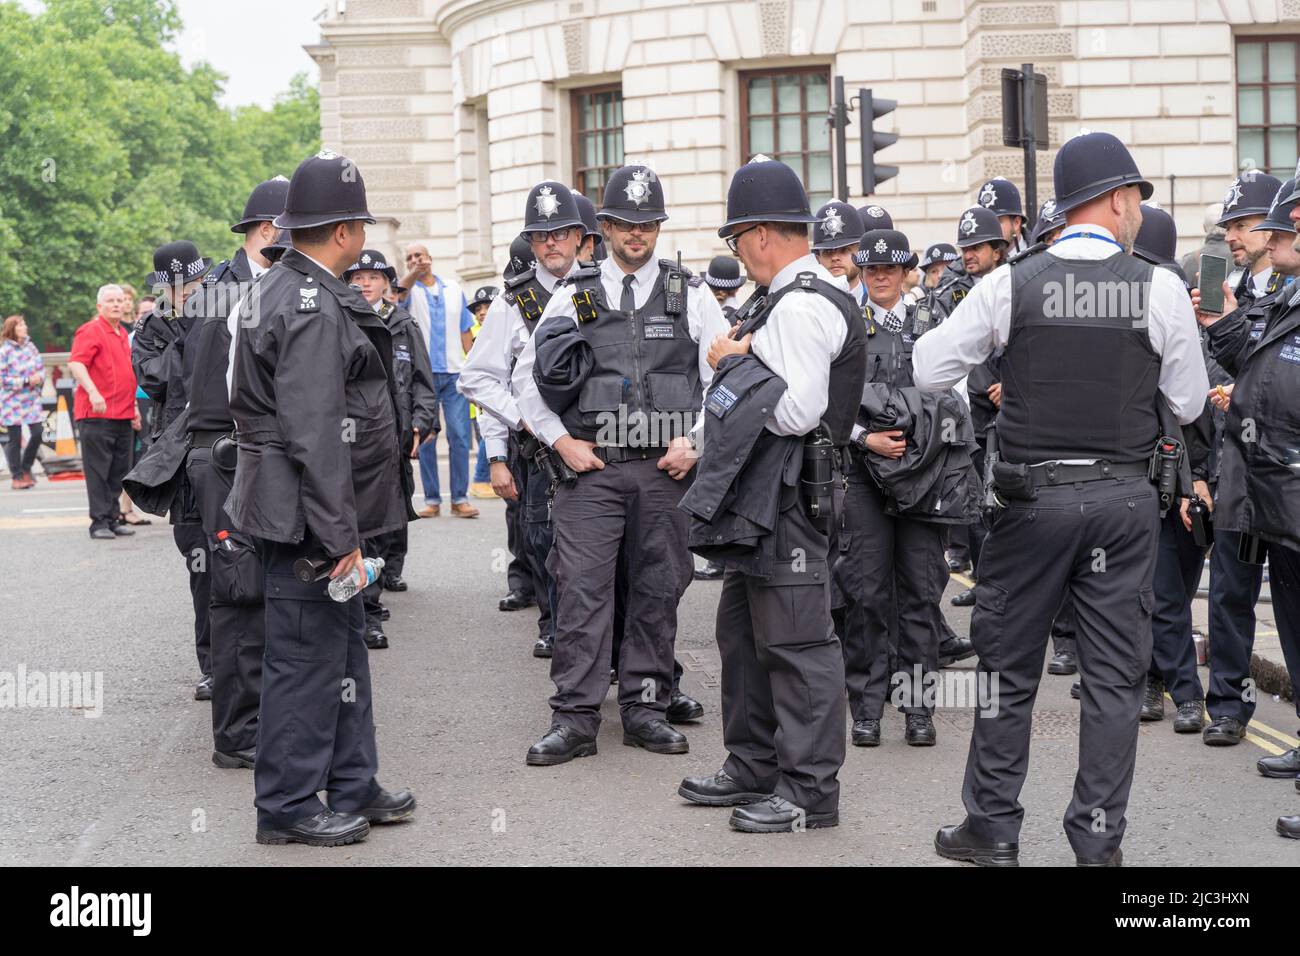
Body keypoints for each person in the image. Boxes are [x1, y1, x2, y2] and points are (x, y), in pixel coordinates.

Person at [917, 131, 1208, 867]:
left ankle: (991, 827)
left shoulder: (1012, 281)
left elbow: (927, 367)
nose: (1140, 210)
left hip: (1031, 506)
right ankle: (1098, 842)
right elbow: (1190, 399)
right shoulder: (1159, 285)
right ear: (1114, 198)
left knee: (1006, 672)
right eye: (1136, 197)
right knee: (1112, 679)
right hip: (1123, 505)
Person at [227, 148, 414, 847]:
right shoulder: (308, 303)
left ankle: (352, 779)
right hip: (306, 515)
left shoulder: (292, 288)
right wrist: (342, 539)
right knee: (306, 662)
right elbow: (316, 434)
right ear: (344, 232)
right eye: (360, 224)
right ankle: (287, 804)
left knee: (341, 657)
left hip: (306, 507)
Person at [512, 164, 726, 766]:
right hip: (592, 472)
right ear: (603, 226)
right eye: (625, 223)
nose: (637, 233)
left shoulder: (690, 292)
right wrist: (559, 443)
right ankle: (575, 719)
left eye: (647, 223)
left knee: (658, 592)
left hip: (665, 473)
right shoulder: (573, 294)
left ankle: (646, 710)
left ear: (658, 227)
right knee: (581, 592)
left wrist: (698, 441)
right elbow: (527, 382)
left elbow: (725, 379)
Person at [676, 156, 866, 832]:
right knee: (742, 635)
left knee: (796, 645)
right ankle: (753, 765)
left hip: (790, 498)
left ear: (759, 235)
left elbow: (796, 411)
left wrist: (734, 361)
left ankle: (809, 792)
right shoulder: (782, 299)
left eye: (736, 240)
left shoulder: (806, 303)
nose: (737, 253)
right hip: (765, 500)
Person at [1198, 167, 1300, 839]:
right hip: (1251, 476)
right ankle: (1226, 704)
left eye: (1245, 225)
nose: (1236, 236)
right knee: (1241, 598)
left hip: (1282, 478)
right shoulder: (1253, 290)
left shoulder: (1283, 290)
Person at [834, 229, 955, 748]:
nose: (882, 277)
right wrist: (866, 439)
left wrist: (925, 442)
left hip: (923, 476)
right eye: (872, 268)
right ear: (861, 270)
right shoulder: (846, 323)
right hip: (865, 473)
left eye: (891, 268)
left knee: (922, 594)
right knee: (865, 592)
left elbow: (958, 397)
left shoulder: (933, 319)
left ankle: (918, 707)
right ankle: (867, 706)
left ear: (907, 270)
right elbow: (827, 400)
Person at [179, 176, 285, 765]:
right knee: (240, 592)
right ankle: (240, 733)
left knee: (255, 591)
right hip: (227, 454)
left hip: (237, 452)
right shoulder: (226, 292)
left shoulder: (246, 285)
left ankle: (256, 718)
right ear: (269, 232)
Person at [460, 182, 585, 659]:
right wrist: (524, 422)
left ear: (578, 236)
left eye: (559, 233)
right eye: (541, 235)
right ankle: (558, 633)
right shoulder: (515, 301)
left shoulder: (604, 285)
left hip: (600, 446)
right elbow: (475, 379)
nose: (551, 242)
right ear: (532, 244)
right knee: (545, 544)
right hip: (543, 455)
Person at [1129, 202, 1217, 733]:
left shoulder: (1202, 338)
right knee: (1160, 594)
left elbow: (1204, 420)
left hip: (1192, 481)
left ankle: (1157, 677)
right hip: (1145, 480)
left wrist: (1197, 482)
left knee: (1178, 592)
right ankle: (1182, 692)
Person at [343, 249, 439, 649]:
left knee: (383, 522)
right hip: (347, 439)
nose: (364, 284)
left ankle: (374, 591)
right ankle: (363, 610)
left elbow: (421, 378)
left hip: (392, 437)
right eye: (357, 277)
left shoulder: (403, 323)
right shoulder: (339, 318)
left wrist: (422, 420)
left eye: (372, 277)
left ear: (387, 283)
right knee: (355, 526)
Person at [133, 241, 214, 699]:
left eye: (194, 284)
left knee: (239, 564)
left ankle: (250, 662)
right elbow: (158, 380)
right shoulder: (151, 327)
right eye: (176, 287)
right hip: (181, 459)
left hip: (225, 451)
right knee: (199, 565)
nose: (186, 292)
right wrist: (190, 330)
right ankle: (213, 666)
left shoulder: (229, 313)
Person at [400, 242, 478, 518]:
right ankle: (432, 499)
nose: (414, 260)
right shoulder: (408, 292)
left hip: (455, 373)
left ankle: (459, 498)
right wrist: (411, 272)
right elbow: (395, 297)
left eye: (418, 255)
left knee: (459, 436)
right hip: (423, 376)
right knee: (427, 438)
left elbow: (465, 330)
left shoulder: (455, 289)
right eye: (409, 258)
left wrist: (473, 365)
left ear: (430, 258)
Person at [69, 285, 140, 540]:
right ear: (99, 306)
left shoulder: (122, 333)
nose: (117, 304)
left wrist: (133, 408)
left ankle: (112, 518)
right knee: (99, 470)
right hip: (96, 414)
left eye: (120, 300)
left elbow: (127, 375)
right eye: (110, 301)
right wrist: (92, 391)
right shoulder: (91, 330)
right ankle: (98, 522)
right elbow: (76, 363)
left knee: (119, 471)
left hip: (122, 413)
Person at [1, 315, 44, 489]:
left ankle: (26, 468)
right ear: (12, 329)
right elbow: (3, 379)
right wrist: (26, 381)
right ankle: (17, 476)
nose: (25, 327)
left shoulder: (31, 347)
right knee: (15, 438)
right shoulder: (4, 351)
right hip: (11, 402)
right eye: (21, 325)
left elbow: (41, 370)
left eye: (24, 324)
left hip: (31, 400)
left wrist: (38, 379)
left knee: (37, 433)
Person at [467, 285, 499, 499]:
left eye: (487, 306)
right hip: (480, 403)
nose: (482, 312)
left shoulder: (501, 329)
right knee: (488, 439)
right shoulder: (474, 335)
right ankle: (480, 479)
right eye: (479, 308)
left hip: (493, 399)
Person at [812, 201, 866, 304]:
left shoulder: (879, 302)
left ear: (860, 252)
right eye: (827, 251)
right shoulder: (808, 306)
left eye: (844, 249)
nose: (835, 257)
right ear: (818, 258)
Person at [976, 177, 1027, 253]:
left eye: (995, 222)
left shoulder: (1042, 259)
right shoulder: (970, 263)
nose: (988, 229)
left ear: (1016, 222)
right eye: (984, 223)